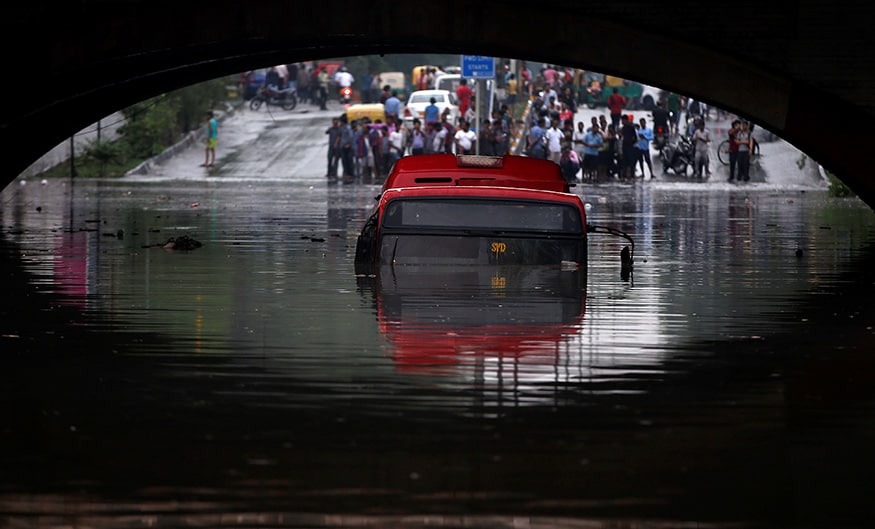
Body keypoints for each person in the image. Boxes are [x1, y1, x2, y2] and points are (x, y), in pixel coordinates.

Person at [620, 114, 638, 179]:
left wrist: (631, 143)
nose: (622, 122)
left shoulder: (631, 127)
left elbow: (635, 138)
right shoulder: (623, 128)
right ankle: (624, 176)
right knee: (624, 162)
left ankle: (632, 175)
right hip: (624, 146)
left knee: (631, 162)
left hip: (630, 147)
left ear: (626, 120)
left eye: (623, 120)